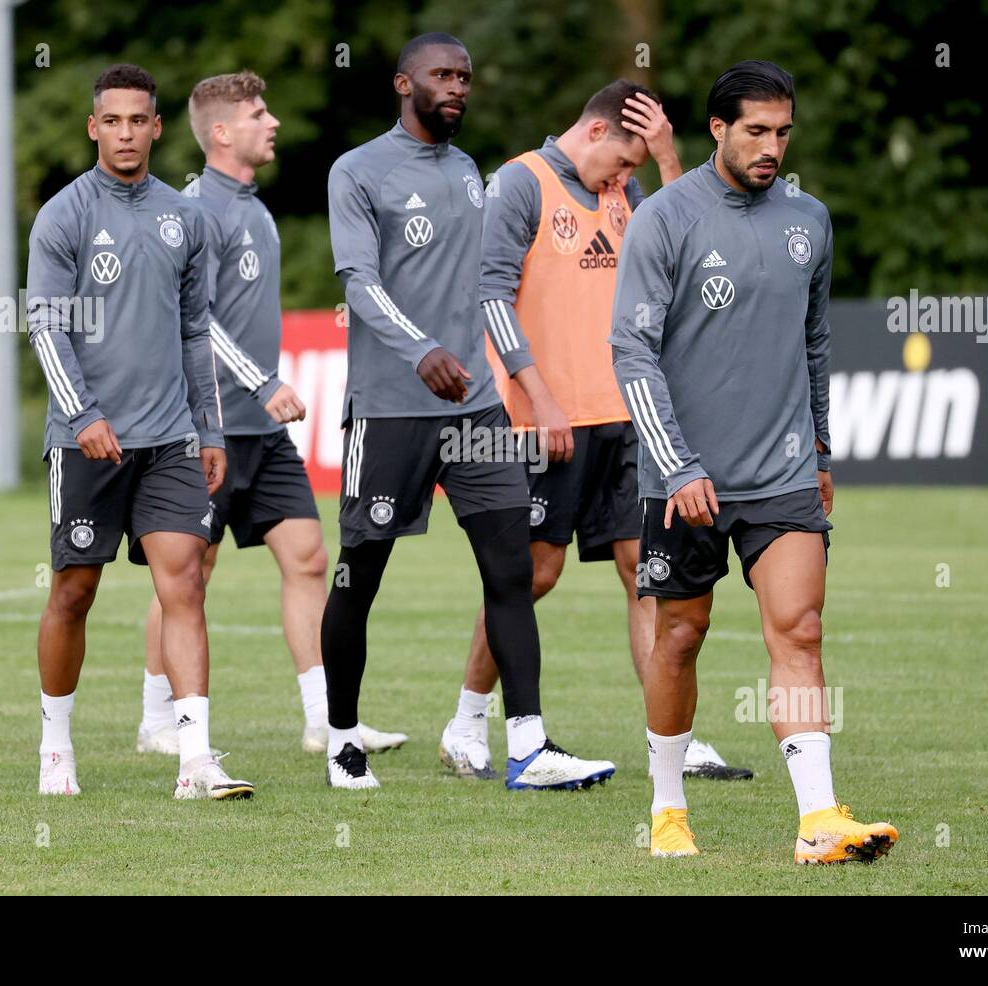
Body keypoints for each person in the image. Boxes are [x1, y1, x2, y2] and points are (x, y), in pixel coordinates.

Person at [610, 60, 898, 861]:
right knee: (679, 635)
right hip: (684, 476)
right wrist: (679, 466)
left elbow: (814, 342)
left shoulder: (810, 219)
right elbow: (631, 350)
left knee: (800, 630)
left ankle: (818, 821)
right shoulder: (664, 218)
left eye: (783, 132)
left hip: (782, 473)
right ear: (718, 130)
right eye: (757, 131)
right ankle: (669, 810)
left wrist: (821, 447)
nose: (772, 147)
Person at [321, 32, 614, 790]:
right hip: (390, 412)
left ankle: (527, 745)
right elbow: (359, 278)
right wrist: (420, 349)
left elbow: (490, 288)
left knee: (511, 571)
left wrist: (523, 377)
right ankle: (344, 738)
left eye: (465, 77)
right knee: (360, 575)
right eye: (442, 75)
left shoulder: (470, 174)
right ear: (402, 84)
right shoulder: (356, 171)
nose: (456, 87)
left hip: (476, 411)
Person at [440, 79, 753, 784]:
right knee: (533, 574)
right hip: (546, 419)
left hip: (626, 416)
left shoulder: (628, 192)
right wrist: (541, 397)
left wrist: (672, 160)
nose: (626, 179)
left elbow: (686, 249)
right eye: (626, 163)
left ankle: (670, 739)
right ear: (595, 132)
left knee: (648, 576)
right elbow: (489, 297)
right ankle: (466, 722)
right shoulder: (520, 184)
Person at [135, 70, 407, 760]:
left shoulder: (253, 207)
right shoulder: (196, 208)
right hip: (207, 427)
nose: (273, 122)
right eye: (259, 113)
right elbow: (191, 314)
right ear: (222, 132)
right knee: (187, 573)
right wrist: (262, 381)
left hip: (260, 433)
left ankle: (324, 720)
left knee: (310, 559)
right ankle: (157, 720)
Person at [27, 63, 252, 800]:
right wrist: (84, 416)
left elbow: (195, 331)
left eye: (139, 120)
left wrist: (210, 427)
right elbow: (46, 328)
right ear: (94, 127)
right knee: (74, 592)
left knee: (185, 582)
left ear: (157, 128)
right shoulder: (63, 215)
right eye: (112, 121)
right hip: (87, 441)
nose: (126, 133)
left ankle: (196, 760)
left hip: (170, 441)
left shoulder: (185, 218)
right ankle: (55, 744)